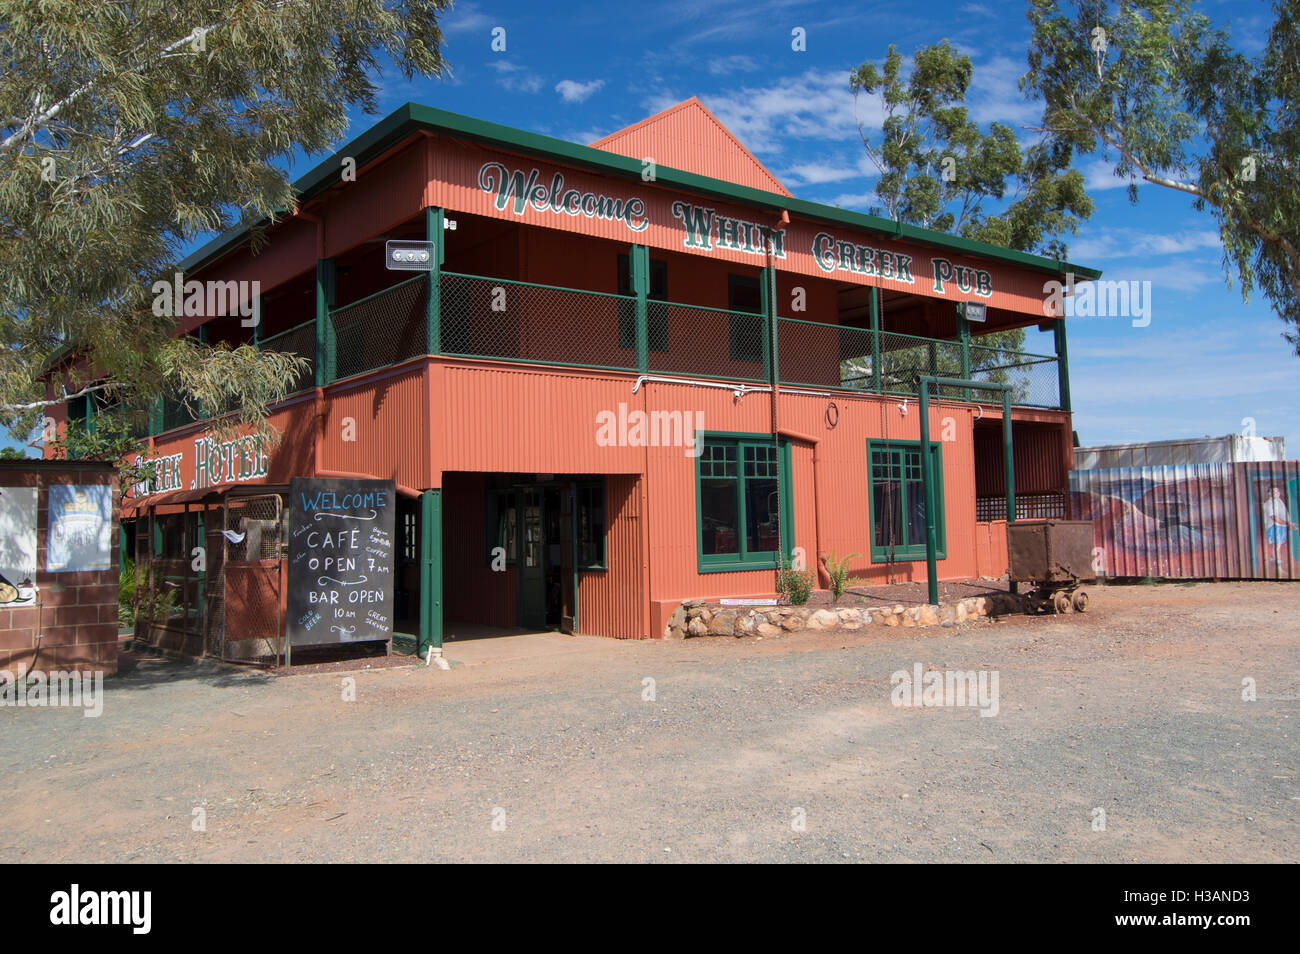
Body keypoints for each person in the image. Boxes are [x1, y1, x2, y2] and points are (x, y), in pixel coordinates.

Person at [1263, 485, 1298, 567]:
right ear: (1269, 493)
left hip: (1281, 525)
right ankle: (1277, 560)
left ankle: (1272, 557)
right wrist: (1288, 523)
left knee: (1279, 543)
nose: (1276, 493)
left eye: (1277, 491)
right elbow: (1274, 518)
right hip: (1274, 526)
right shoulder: (1268, 504)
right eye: (1273, 492)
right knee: (1277, 544)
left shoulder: (1278, 500)